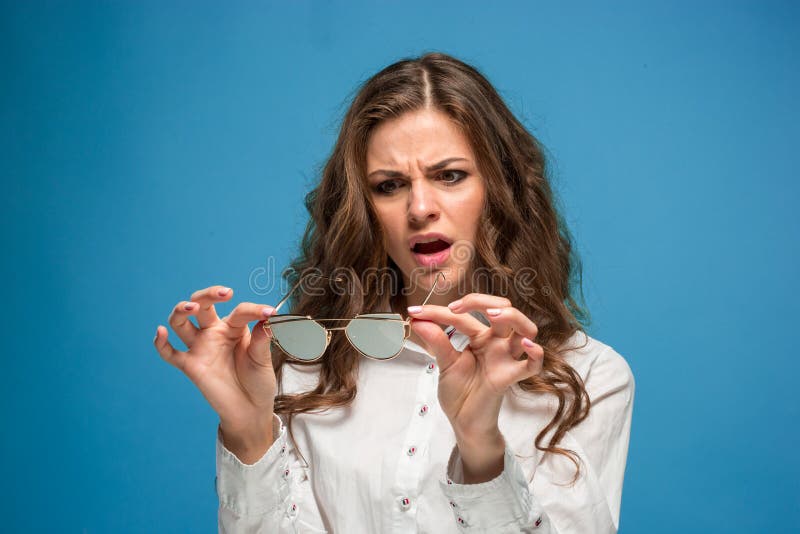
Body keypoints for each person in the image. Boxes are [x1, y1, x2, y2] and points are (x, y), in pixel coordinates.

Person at [153, 52, 635, 533]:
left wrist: (480, 445)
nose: (420, 207)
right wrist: (248, 430)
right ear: (364, 207)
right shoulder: (300, 366)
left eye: (450, 175)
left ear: (501, 186)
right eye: (389, 185)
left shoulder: (591, 378)